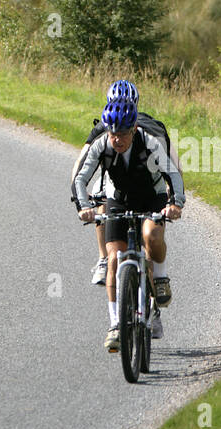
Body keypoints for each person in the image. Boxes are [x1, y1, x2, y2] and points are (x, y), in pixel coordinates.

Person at [71, 88, 184, 352]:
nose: (116, 139)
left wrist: (175, 204)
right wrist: (84, 207)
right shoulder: (103, 144)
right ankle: (114, 325)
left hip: (151, 196)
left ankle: (161, 277)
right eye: (112, 133)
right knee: (113, 258)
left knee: (152, 237)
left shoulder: (149, 141)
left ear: (133, 129)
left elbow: (173, 175)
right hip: (119, 198)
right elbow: (80, 177)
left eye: (122, 133)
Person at [73, 79, 140, 287]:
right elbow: (81, 161)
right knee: (100, 196)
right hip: (107, 177)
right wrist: (78, 194)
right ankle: (104, 258)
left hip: (135, 178)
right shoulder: (102, 127)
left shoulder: (141, 125)